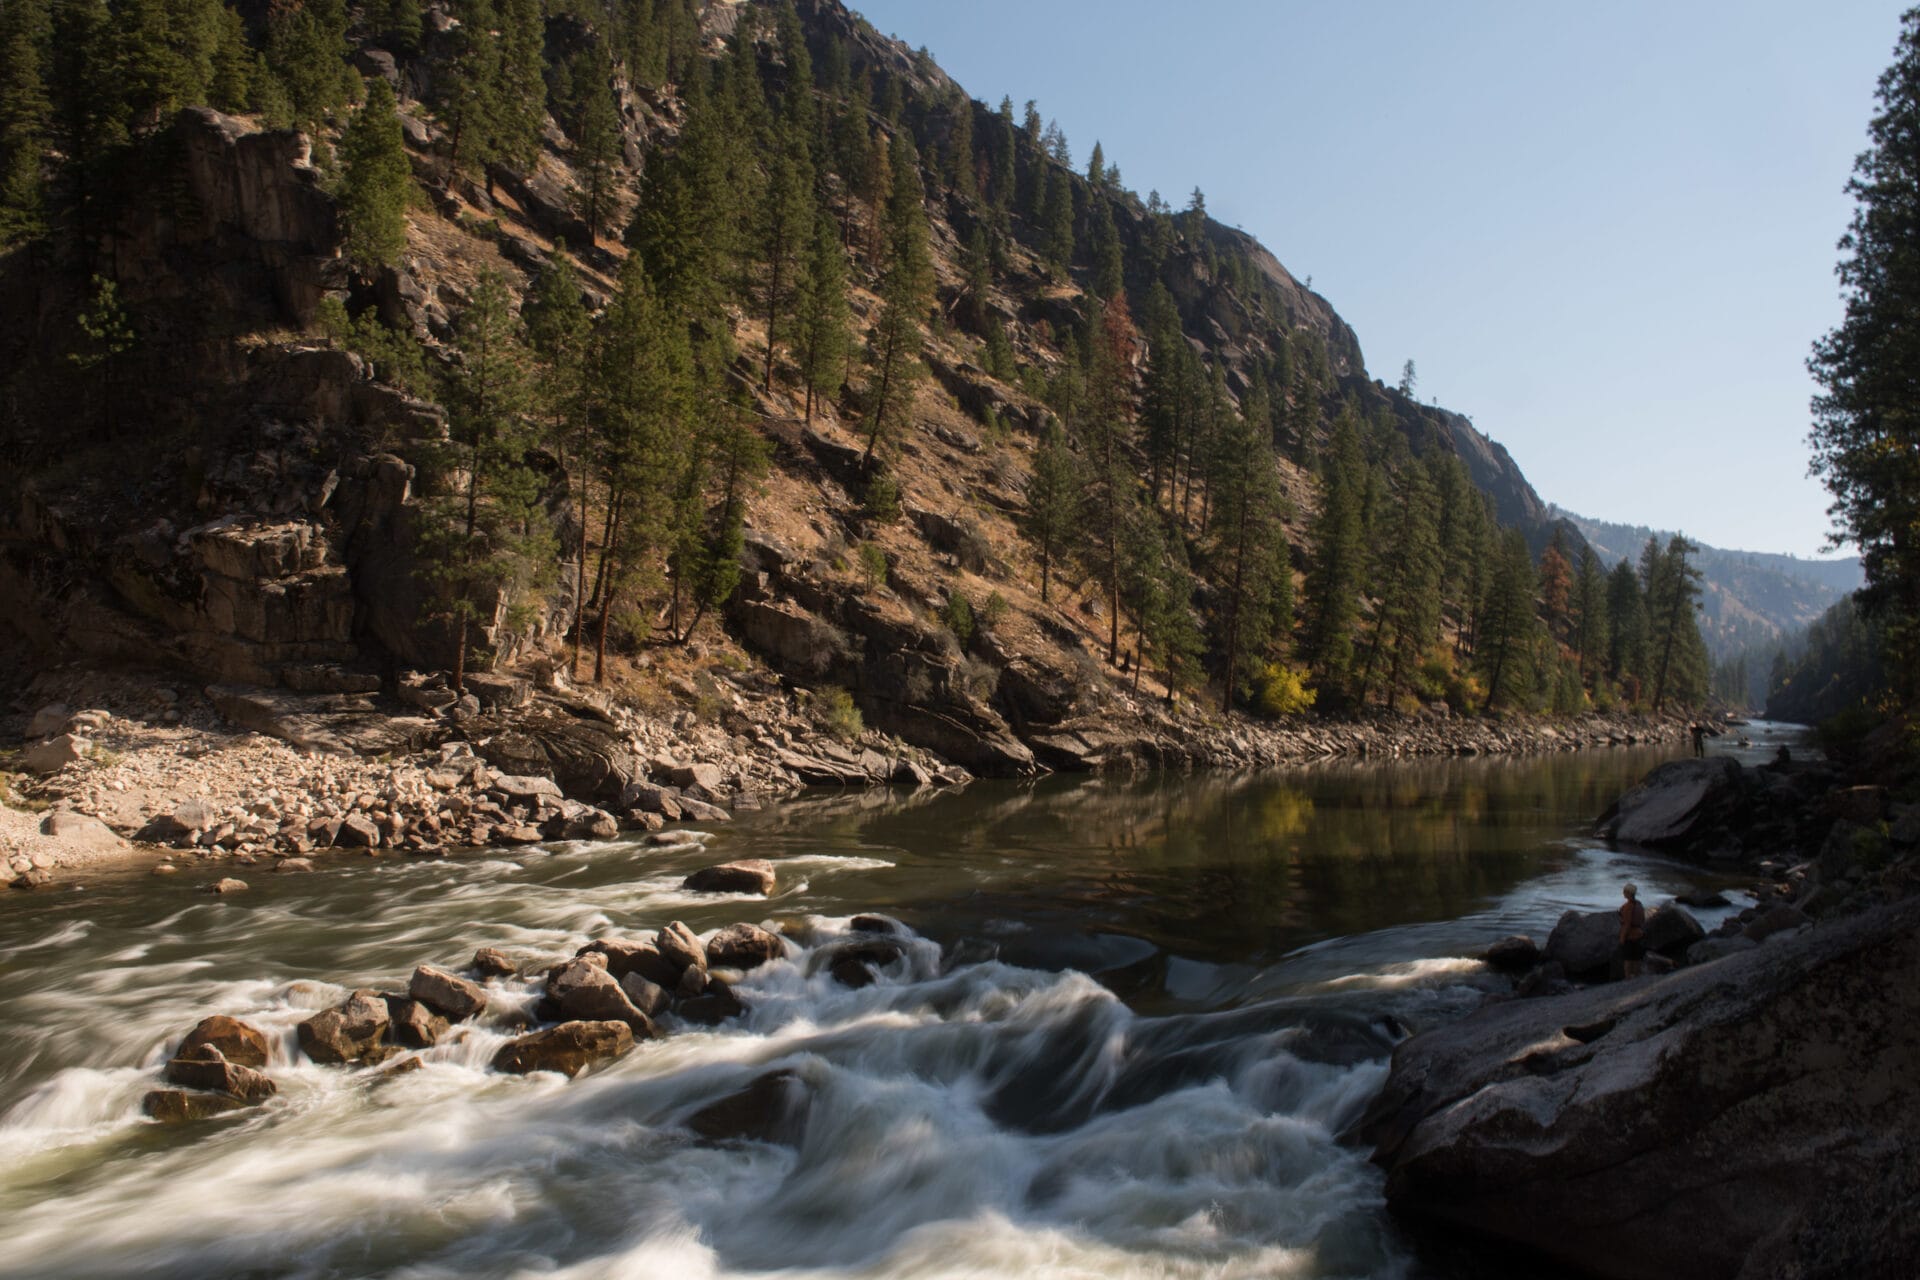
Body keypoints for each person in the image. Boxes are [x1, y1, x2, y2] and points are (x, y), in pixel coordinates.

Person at [1617, 883, 1648, 978]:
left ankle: (1628, 978)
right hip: (1639, 934)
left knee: (1628, 959)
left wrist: (1622, 938)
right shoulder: (1639, 904)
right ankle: (1637, 978)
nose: (1623, 893)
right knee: (1637, 959)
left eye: (1624, 891)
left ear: (1628, 893)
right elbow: (1642, 919)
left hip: (1630, 936)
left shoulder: (1628, 906)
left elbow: (1627, 924)